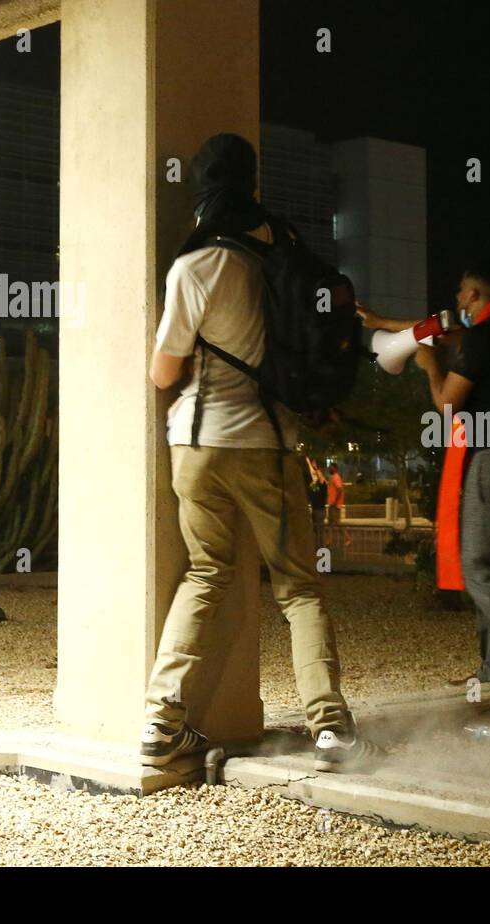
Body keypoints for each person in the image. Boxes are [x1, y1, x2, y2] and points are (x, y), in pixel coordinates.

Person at [142, 132, 371, 772]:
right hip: (266, 443)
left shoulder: (192, 268)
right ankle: (330, 729)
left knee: (206, 575)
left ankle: (162, 727)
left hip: (195, 443)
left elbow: (164, 373)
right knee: (298, 587)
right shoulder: (282, 265)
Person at [358, 261, 490, 684]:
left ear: (474, 294)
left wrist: (429, 367)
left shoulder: (481, 337)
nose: (456, 299)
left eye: (460, 291)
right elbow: (439, 332)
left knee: (477, 566)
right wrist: (384, 323)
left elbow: (446, 406)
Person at [325, 462, 350, 549]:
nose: (329, 469)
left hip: (335, 505)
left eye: (331, 468)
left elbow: (340, 490)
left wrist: (335, 502)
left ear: (335, 469)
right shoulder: (332, 477)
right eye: (329, 467)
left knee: (336, 523)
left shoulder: (336, 477)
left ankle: (347, 538)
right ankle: (329, 539)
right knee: (331, 523)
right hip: (332, 504)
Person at [305, 456, 329, 548]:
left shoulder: (323, 484)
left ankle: (321, 548)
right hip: (316, 510)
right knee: (316, 530)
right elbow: (313, 475)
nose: (316, 473)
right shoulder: (315, 485)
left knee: (319, 530)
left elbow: (318, 475)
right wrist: (309, 464)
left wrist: (313, 467)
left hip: (320, 510)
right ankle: (318, 547)